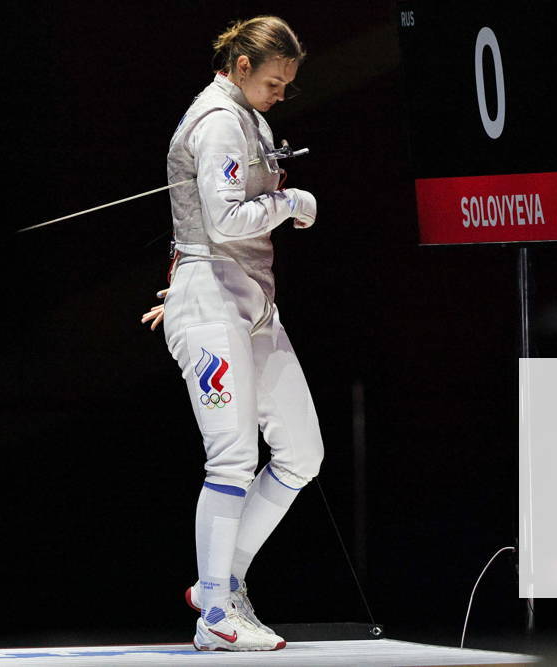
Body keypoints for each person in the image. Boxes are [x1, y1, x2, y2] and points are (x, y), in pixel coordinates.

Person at [140, 16, 323, 652]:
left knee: (301, 452)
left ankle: (223, 581)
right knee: (234, 457)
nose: (279, 94)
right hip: (214, 300)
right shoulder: (218, 119)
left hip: (249, 302)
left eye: (286, 86)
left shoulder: (249, 117)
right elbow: (222, 220)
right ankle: (215, 612)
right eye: (273, 81)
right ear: (241, 66)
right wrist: (294, 202)